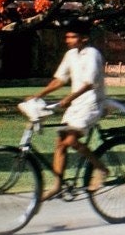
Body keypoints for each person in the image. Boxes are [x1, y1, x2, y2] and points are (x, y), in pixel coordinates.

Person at [24, 21, 109, 199]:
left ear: (84, 38)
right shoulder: (71, 55)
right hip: (76, 105)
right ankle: (57, 185)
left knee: (70, 140)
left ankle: (100, 168)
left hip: (92, 103)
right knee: (60, 143)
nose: (68, 40)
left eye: (72, 37)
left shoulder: (92, 54)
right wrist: (38, 95)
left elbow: (89, 83)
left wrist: (68, 98)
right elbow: (59, 80)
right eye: (67, 36)